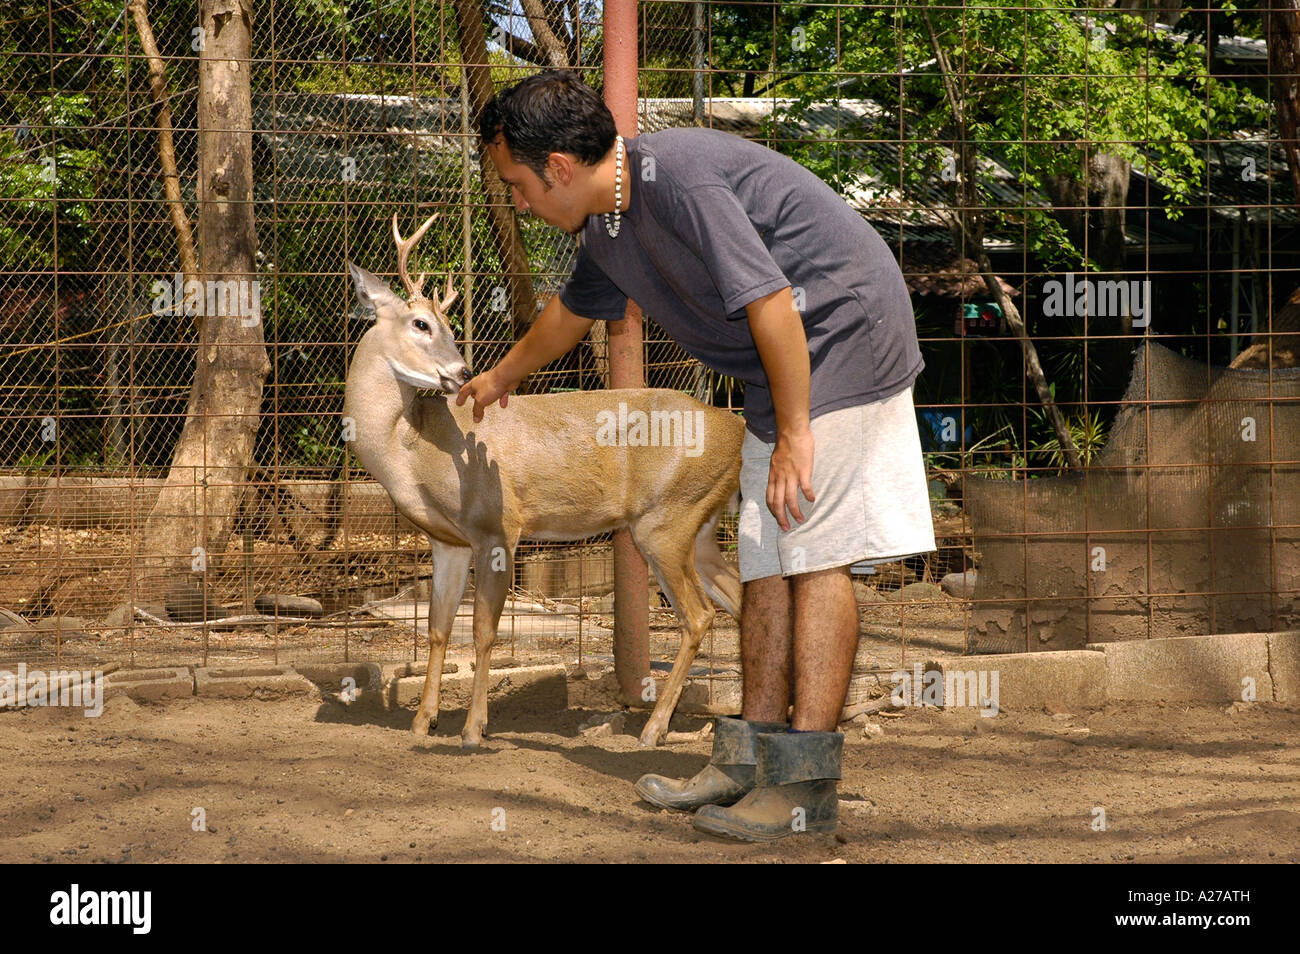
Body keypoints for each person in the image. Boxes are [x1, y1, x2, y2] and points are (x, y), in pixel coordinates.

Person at [459, 70, 936, 842]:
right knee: (765, 555)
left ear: (558, 168)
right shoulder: (605, 223)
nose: (516, 200)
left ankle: (805, 791)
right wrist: (500, 378)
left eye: (516, 183)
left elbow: (771, 300)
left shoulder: (674, 178)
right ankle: (748, 761)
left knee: (815, 553)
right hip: (775, 367)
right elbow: (572, 314)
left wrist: (798, 431)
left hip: (841, 338)